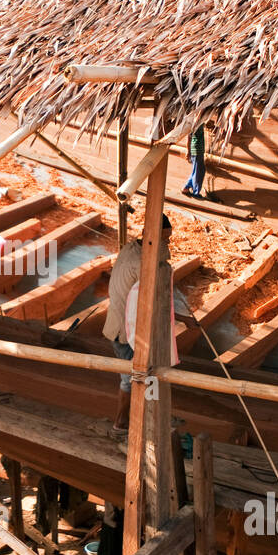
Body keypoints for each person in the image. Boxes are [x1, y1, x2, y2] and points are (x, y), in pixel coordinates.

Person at [103, 214, 199, 430]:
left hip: (122, 326)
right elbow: (153, 308)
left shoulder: (131, 248)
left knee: (144, 374)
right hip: (125, 332)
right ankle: (122, 424)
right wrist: (183, 320)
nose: (168, 244)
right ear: (149, 236)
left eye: (168, 239)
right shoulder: (142, 266)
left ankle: (152, 417)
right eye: (164, 239)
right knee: (135, 378)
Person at [181, 125, 206, 197]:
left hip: (198, 150)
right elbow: (189, 137)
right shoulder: (195, 123)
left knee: (198, 170)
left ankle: (186, 187)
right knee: (198, 172)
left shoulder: (199, 122)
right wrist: (188, 151)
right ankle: (196, 192)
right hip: (196, 150)